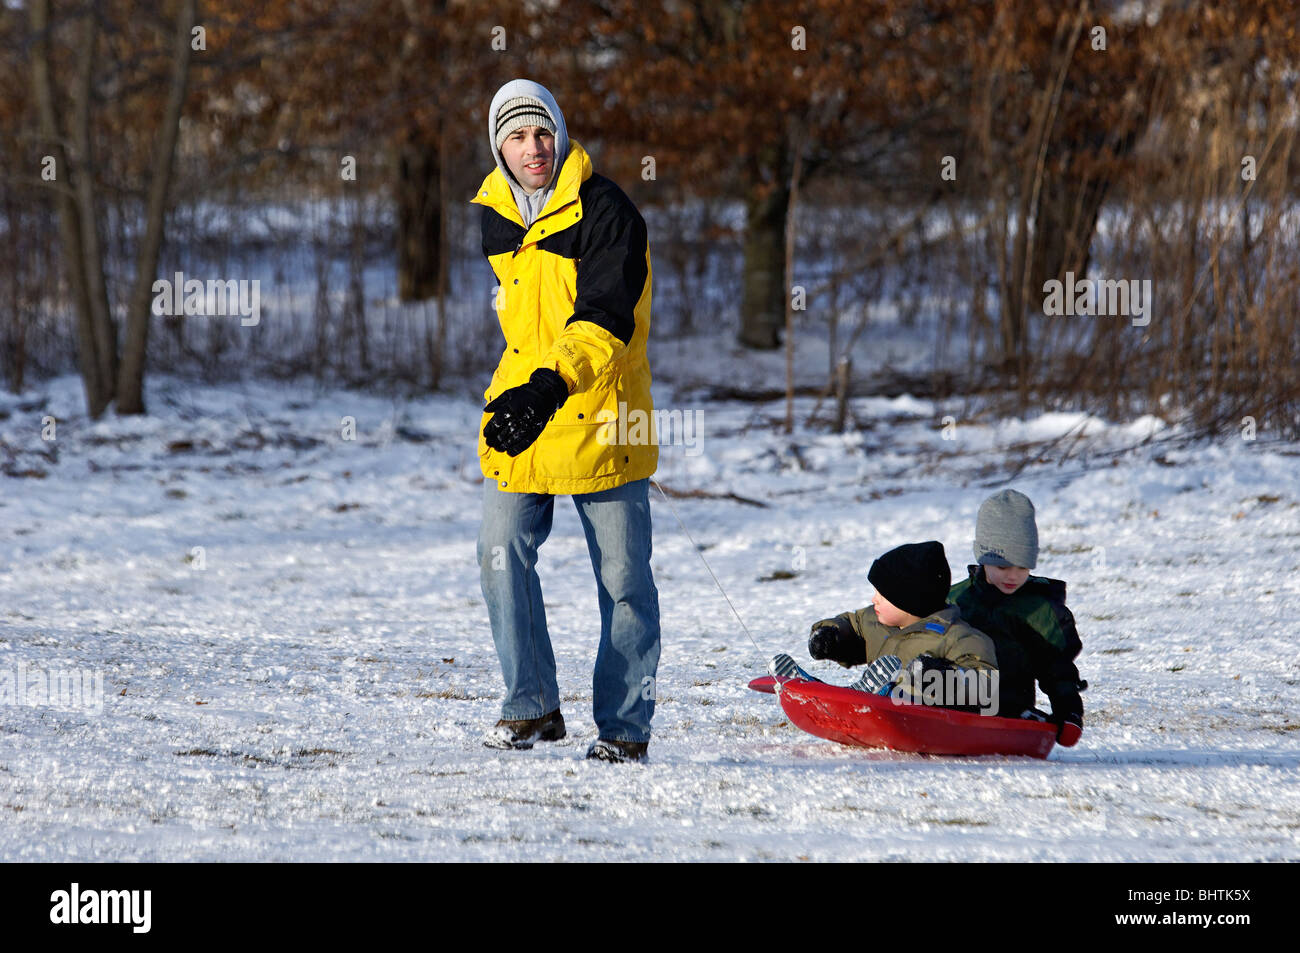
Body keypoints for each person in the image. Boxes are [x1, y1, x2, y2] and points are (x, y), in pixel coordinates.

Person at [471, 79, 660, 763]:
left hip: (603, 413)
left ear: (561, 133)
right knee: (499, 551)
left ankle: (624, 727)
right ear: (499, 145)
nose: (533, 148)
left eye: (542, 132)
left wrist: (548, 385)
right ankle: (531, 705)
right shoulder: (495, 214)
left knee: (624, 579)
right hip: (531, 408)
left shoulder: (608, 210)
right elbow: (524, 330)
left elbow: (604, 319)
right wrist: (517, 395)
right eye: (517, 136)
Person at [947, 489, 1086, 744]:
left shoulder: (1040, 611)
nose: (1013, 576)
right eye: (1003, 567)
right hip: (950, 700)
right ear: (983, 558)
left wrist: (1069, 712)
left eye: (1022, 567)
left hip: (1009, 708)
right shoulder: (956, 600)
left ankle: (1028, 719)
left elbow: (1057, 668)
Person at [796, 541, 999, 710]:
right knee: (885, 694)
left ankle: (879, 696)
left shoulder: (956, 637)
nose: (874, 599)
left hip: (931, 716)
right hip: (885, 711)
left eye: (882, 595)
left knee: (907, 691)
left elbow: (984, 686)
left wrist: (938, 678)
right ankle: (832, 696)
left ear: (909, 602)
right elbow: (853, 625)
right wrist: (832, 637)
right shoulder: (876, 621)